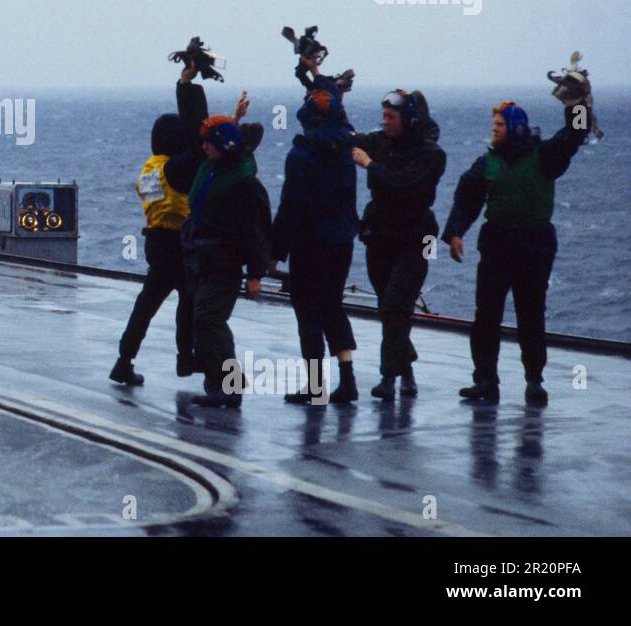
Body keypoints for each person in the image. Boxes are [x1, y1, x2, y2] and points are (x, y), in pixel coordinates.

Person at [442, 99, 588, 405]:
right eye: (493, 124)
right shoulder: (487, 162)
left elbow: (575, 133)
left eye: (499, 125)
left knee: (531, 313)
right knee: (486, 314)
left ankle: (534, 380)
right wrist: (455, 232)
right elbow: (467, 197)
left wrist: (577, 105)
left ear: (516, 128)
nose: (493, 130)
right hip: (497, 243)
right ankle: (485, 380)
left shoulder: (544, 156)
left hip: (534, 244)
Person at [111, 63, 248, 384]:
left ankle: (124, 360)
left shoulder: (149, 169)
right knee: (190, 306)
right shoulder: (175, 169)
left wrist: (232, 119)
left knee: (145, 307)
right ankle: (187, 359)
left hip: (156, 244)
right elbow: (202, 152)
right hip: (182, 246)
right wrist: (231, 121)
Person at [351, 89, 446, 401]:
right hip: (380, 235)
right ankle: (406, 367)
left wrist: (370, 165)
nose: (385, 122)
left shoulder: (431, 155)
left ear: (408, 120)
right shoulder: (380, 142)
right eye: (384, 117)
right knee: (389, 308)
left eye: (391, 117)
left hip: (417, 238)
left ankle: (389, 377)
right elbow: (346, 136)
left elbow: (405, 185)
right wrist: (324, 90)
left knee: (395, 305)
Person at [271, 71, 360, 404]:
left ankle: (315, 384)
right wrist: (323, 82)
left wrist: (275, 251)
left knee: (307, 310)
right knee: (332, 305)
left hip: (308, 243)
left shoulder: (300, 157)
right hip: (341, 240)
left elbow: (290, 207)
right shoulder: (347, 149)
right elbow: (338, 118)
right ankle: (348, 379)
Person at [183, 113, 272, 408]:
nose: (204, 147)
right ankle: (219, 384)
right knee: (204, 321)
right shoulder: (212, 167)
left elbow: (255, 229)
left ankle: (229, 386)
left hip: (224, 259)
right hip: (202, 257)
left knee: (208, 319)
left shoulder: (243, 182)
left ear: (224, 145)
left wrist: (255, 273)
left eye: (209, 142)